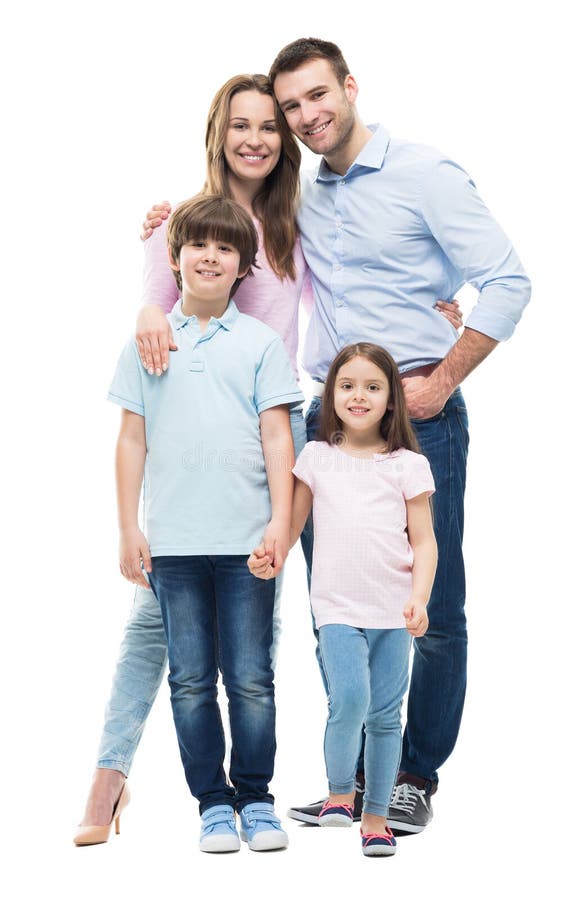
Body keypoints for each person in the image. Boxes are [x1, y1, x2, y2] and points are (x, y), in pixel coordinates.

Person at [77, 71, 461, 841]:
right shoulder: (185, 223)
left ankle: (261, 788)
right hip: (196, 462)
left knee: (247, 639)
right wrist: (153, 283)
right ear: (218, 133)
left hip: (277, 449)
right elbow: (159, 312)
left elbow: (367, 269)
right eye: (239, 124)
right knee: (156, 626)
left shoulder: (297, 222)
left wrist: (439, 302)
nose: (254, 137)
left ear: (283, 140)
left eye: (268, 124)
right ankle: (112, 777)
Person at [263, 37, 531, 832]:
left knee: (433, 604)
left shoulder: (423, 172)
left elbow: (509, 281)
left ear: (349, 86)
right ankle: (349, 780)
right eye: (291, 107)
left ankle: (414, 774)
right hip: (327, 417)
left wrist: (441, 378)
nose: (308, 116)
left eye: (318, 95)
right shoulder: (303, 195)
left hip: (418, 421)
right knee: (335, 601)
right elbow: (232, 223)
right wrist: (164, 224)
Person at [77, 194, 303, 853]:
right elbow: (129, 441)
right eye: (196, 245)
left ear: (243, 268)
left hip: (245, 544)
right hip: (171, 544)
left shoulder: (260, 344)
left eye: (225, 247)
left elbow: (277, 440)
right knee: (188, 678)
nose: (209, 255)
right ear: (173, 260)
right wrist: (127, 528)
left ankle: (257, 800)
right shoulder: (150, 343)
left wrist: (279, 526)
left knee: (251, 676)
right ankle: (211, 802)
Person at [249, 343, 437, 856]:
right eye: (347, 385)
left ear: (391, 400)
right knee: (349, 699)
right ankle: (339, 795)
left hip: (394, 611)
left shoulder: (408, 465)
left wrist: (419, 598)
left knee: (383, 715)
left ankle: (376, 819)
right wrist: (274, 552)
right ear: (331, 394)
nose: (359, 396)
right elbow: (293, 524)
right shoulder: (317, 457)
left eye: (373, 387)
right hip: (336, 608)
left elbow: (424, 541)